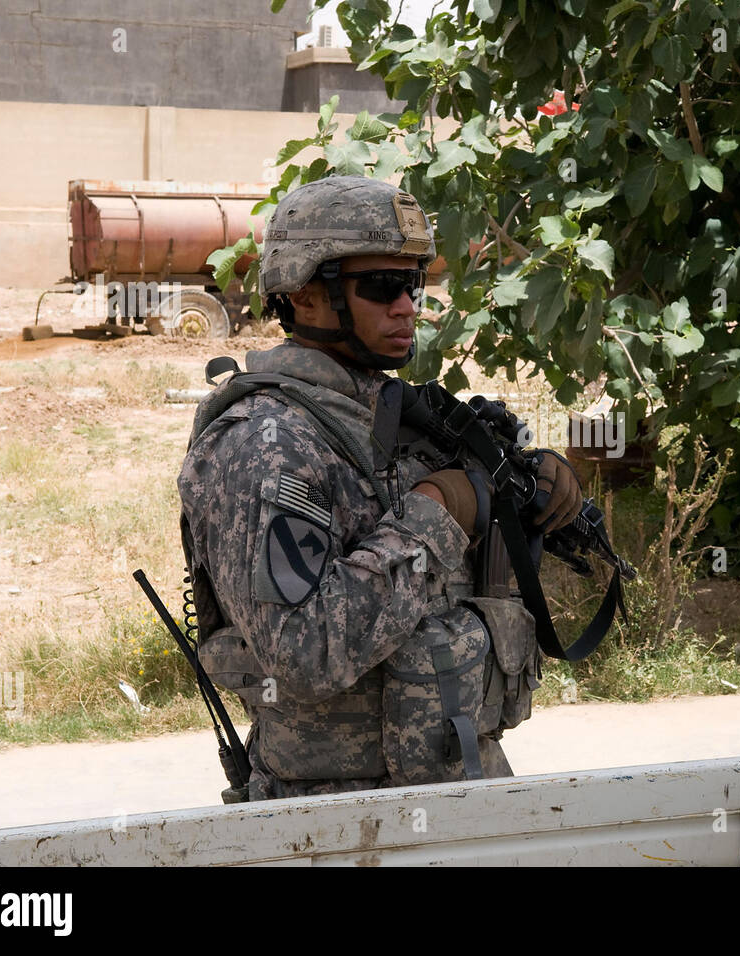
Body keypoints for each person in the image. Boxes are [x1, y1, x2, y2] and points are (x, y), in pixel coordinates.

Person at [177, 175, 582, 801]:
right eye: (383, 286)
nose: (407, 306)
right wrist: (437, 512)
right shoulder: (265, 442)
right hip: (334, 820)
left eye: (413, 283)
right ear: (307, 296)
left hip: (463, 786)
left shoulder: (397, 418)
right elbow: (303, 649)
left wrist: (533, 488)